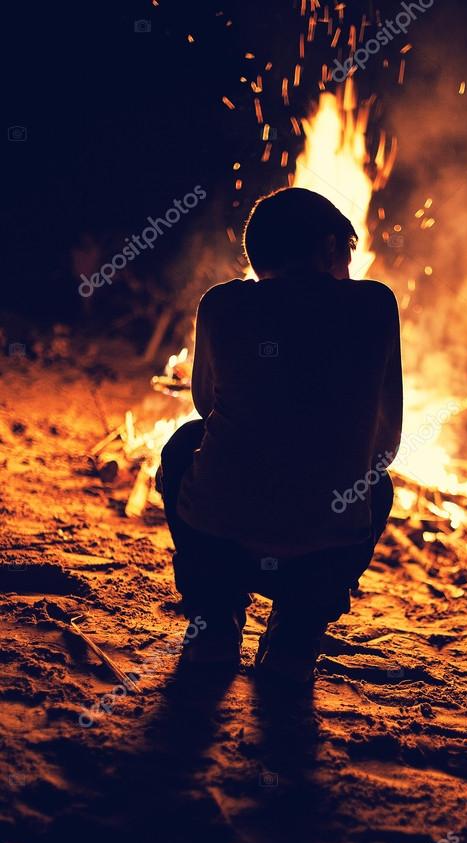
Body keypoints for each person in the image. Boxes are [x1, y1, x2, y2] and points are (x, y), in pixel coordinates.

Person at [160, 187, 402, 683]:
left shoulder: (222, 303)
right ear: (331, 248)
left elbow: (206, 406)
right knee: (377, 485)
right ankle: (296, 633)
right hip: (322, 554)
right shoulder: (376, 304)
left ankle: (215, 626)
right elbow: (387, 441)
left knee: (184, 444)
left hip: (221, 539)